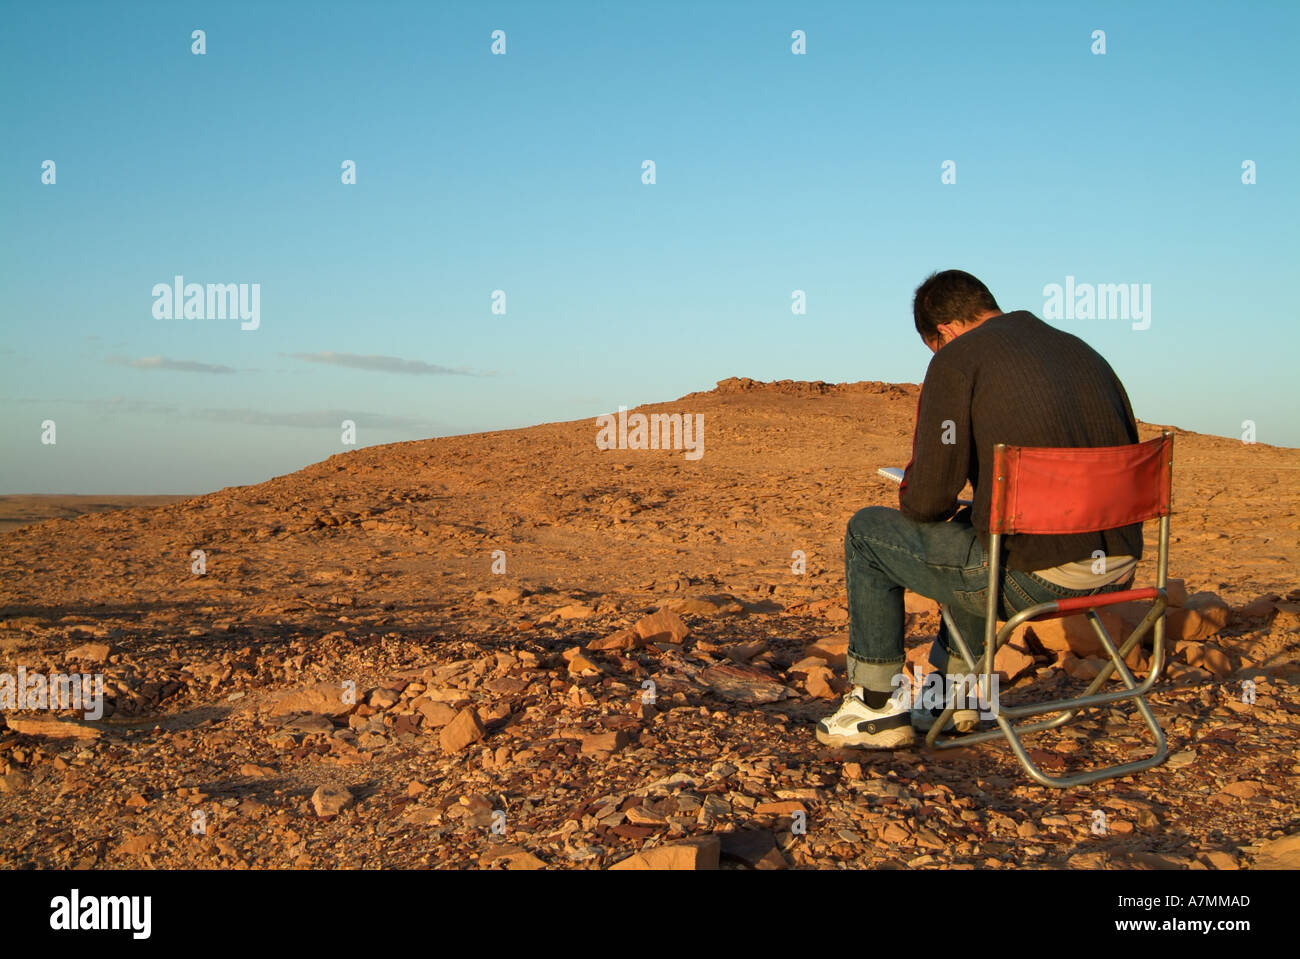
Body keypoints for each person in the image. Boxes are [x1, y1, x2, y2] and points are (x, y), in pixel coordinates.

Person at [817, 269, 1143, 749]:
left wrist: (916, 492)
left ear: (944, 331)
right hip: (1119, 568)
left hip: (1040, 574)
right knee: (972, 530)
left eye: (934, 347)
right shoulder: (1082, 351)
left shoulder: (959, 359)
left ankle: (875, 705)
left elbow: (928, 500)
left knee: (868, 532)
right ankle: (955, 699)